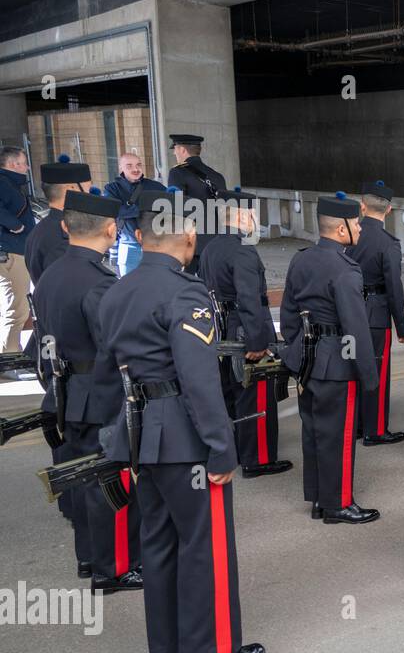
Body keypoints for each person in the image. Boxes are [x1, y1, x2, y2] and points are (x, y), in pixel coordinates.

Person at [99, 186, 264, 653]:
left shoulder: (117, 290)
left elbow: (112, 374)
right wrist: (221, 447)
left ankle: (167, 652)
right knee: (204, 545)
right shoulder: (185, 292)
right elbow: (199, 381)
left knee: (159, 542)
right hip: (185, 438)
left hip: (142, 433)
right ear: (188, 234)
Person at [34, 188, 142, 590]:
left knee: (81, 481)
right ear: (113, 230)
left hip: (66, 391)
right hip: (99, 393)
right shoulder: (99, 281)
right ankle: (113, 568)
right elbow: (113, 347)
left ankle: (89, 559)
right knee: (107, 481)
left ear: (65, 227)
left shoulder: (52, 275)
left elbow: (42, 341)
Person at [280, 192, 380, 525]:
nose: (360, 230)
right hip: (338, 362)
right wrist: (369, 375)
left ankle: (320, 499)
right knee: (338, 435)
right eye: (356, 224)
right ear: (341, 229)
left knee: (314, 432)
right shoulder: (346, 270)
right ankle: (338, 504)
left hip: (308, 358)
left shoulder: (301, 259)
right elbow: (356, 328)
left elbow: (289, 312)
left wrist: (296, 350)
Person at [199, 187, 292, 478]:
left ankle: (239, 450)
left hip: (220, 328)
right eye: (253, 214)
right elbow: (250, 299)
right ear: (241, 215)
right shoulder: (243, 251)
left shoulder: (211, 247)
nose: (255, 220)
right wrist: (257, 341)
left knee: (232, 392)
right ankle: (258, 459)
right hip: (244, 329)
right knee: (255, 393)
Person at [354, 180, 404, 446]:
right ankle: (374, 430)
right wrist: (402, 327)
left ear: (362, 206)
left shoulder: (349, 234)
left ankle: (355, 424)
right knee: (377, 370)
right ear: (389, 210)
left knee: (353, 367)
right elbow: (394, 288)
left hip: (350, 310)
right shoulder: (388, 243)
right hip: (376, 313)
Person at [165, 134, 228, 273]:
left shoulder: (177, 173)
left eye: (175, 149)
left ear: (182, 150)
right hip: (216, 242)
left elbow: (176, 209)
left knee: (188, 287)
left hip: (191, 245)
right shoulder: (217, 176)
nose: (174, 153)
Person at [26, 156, 91, 286]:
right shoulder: (62, 237)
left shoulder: (43, 228)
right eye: (88, 189)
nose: (89, 195)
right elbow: (70, 286)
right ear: (71, 189)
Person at [103, 152, 165, 276]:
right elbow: (115, 211)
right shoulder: (112, 189)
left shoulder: (156, 186)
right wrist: (147, 209)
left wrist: (130, 211)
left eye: (138, 165)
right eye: (129, 166)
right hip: (129, 245)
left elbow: (170, 209)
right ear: (121, 168)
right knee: (127, 287)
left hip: (155, 245)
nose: (135, 169)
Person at [0, 145, 36, 360]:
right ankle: (9, 360)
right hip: (11, 253)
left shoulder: (9, 183)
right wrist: (15, 225)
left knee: (15, 308)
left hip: (12, 251)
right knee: (17, 309)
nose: (28, 167)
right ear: (14, 164)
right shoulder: (5, 183)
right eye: (24, 162)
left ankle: (10, 355)